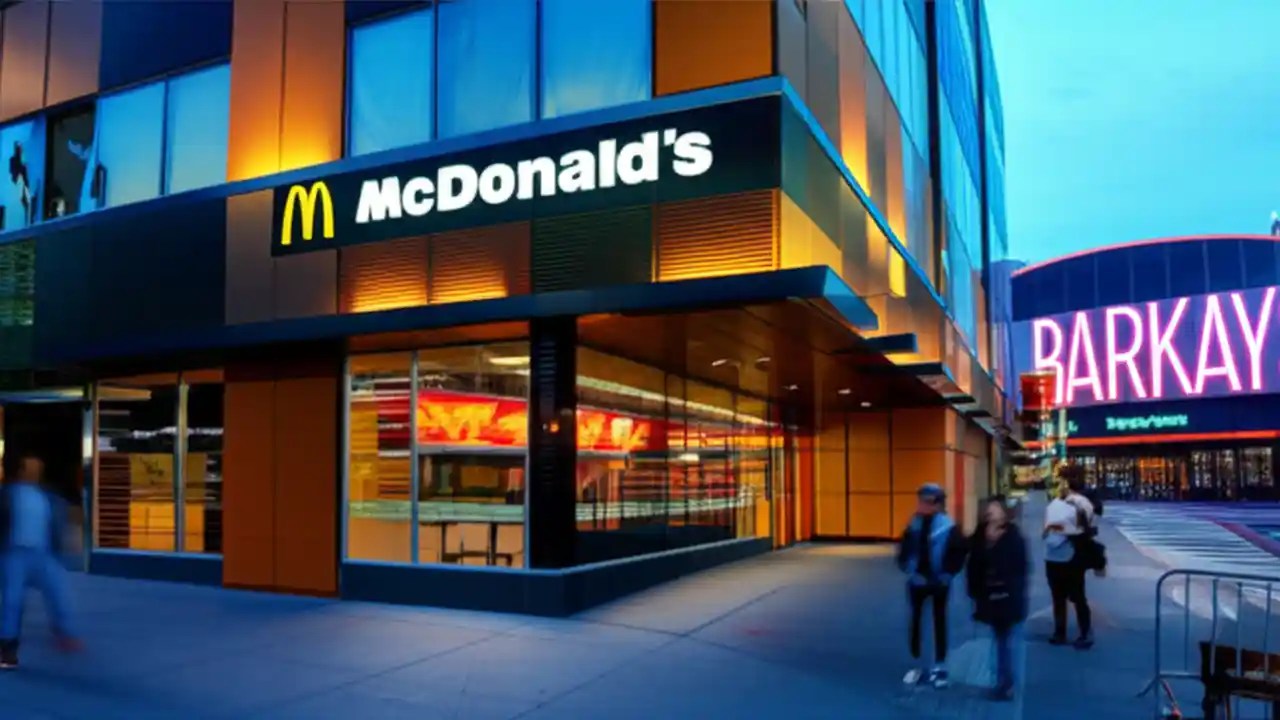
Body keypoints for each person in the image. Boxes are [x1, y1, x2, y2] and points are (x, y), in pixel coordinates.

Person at [0, 455, 82, 669]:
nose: (35, 472)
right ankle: (8, 649)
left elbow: (64, 516)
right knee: (12, 600)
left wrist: (70, 538)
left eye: (38, 468)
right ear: (21, 471)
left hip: (42, 554)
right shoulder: (8, 495)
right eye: (31, 468)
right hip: (14, 554)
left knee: (58, 590)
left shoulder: (47, 496)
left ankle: (64, 632)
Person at [897, 483, 968, 688]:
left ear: (936, 503)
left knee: (939, 622)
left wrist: (948, 573)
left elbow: (959, 551)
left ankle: (939, 666)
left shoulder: (947, 526)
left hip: (939, 582)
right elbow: (905, 549)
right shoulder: (914, 524)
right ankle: (919, 664)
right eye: (920, 500)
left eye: (926, 501)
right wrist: (907, 567)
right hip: (918, 581)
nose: (921, 504)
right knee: (916, 624)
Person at [966, 496, 1029, 701]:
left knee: (1006, 641)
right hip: (989, 598)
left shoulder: (1013, 536)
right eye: (988, 510)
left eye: (994, 509)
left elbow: (1017, 568)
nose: (990, 513)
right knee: (1000, 640)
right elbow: (974, 564)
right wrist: (987, 544)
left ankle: (1006, 683)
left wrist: (992, 546)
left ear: (1003, 513)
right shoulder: (980, 534)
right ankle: (1002, 680)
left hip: (1008, 598)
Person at [1043, 477, 1095, 649]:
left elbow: (1046, 531)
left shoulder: (1057, 505)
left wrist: (1057, 529)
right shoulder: (1082, 504)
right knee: (1076, 597)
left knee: (1061, 597)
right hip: (1068, 556)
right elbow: (1087, 529)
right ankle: (1083, 633)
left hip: (1056, 556)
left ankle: (1061, 633)